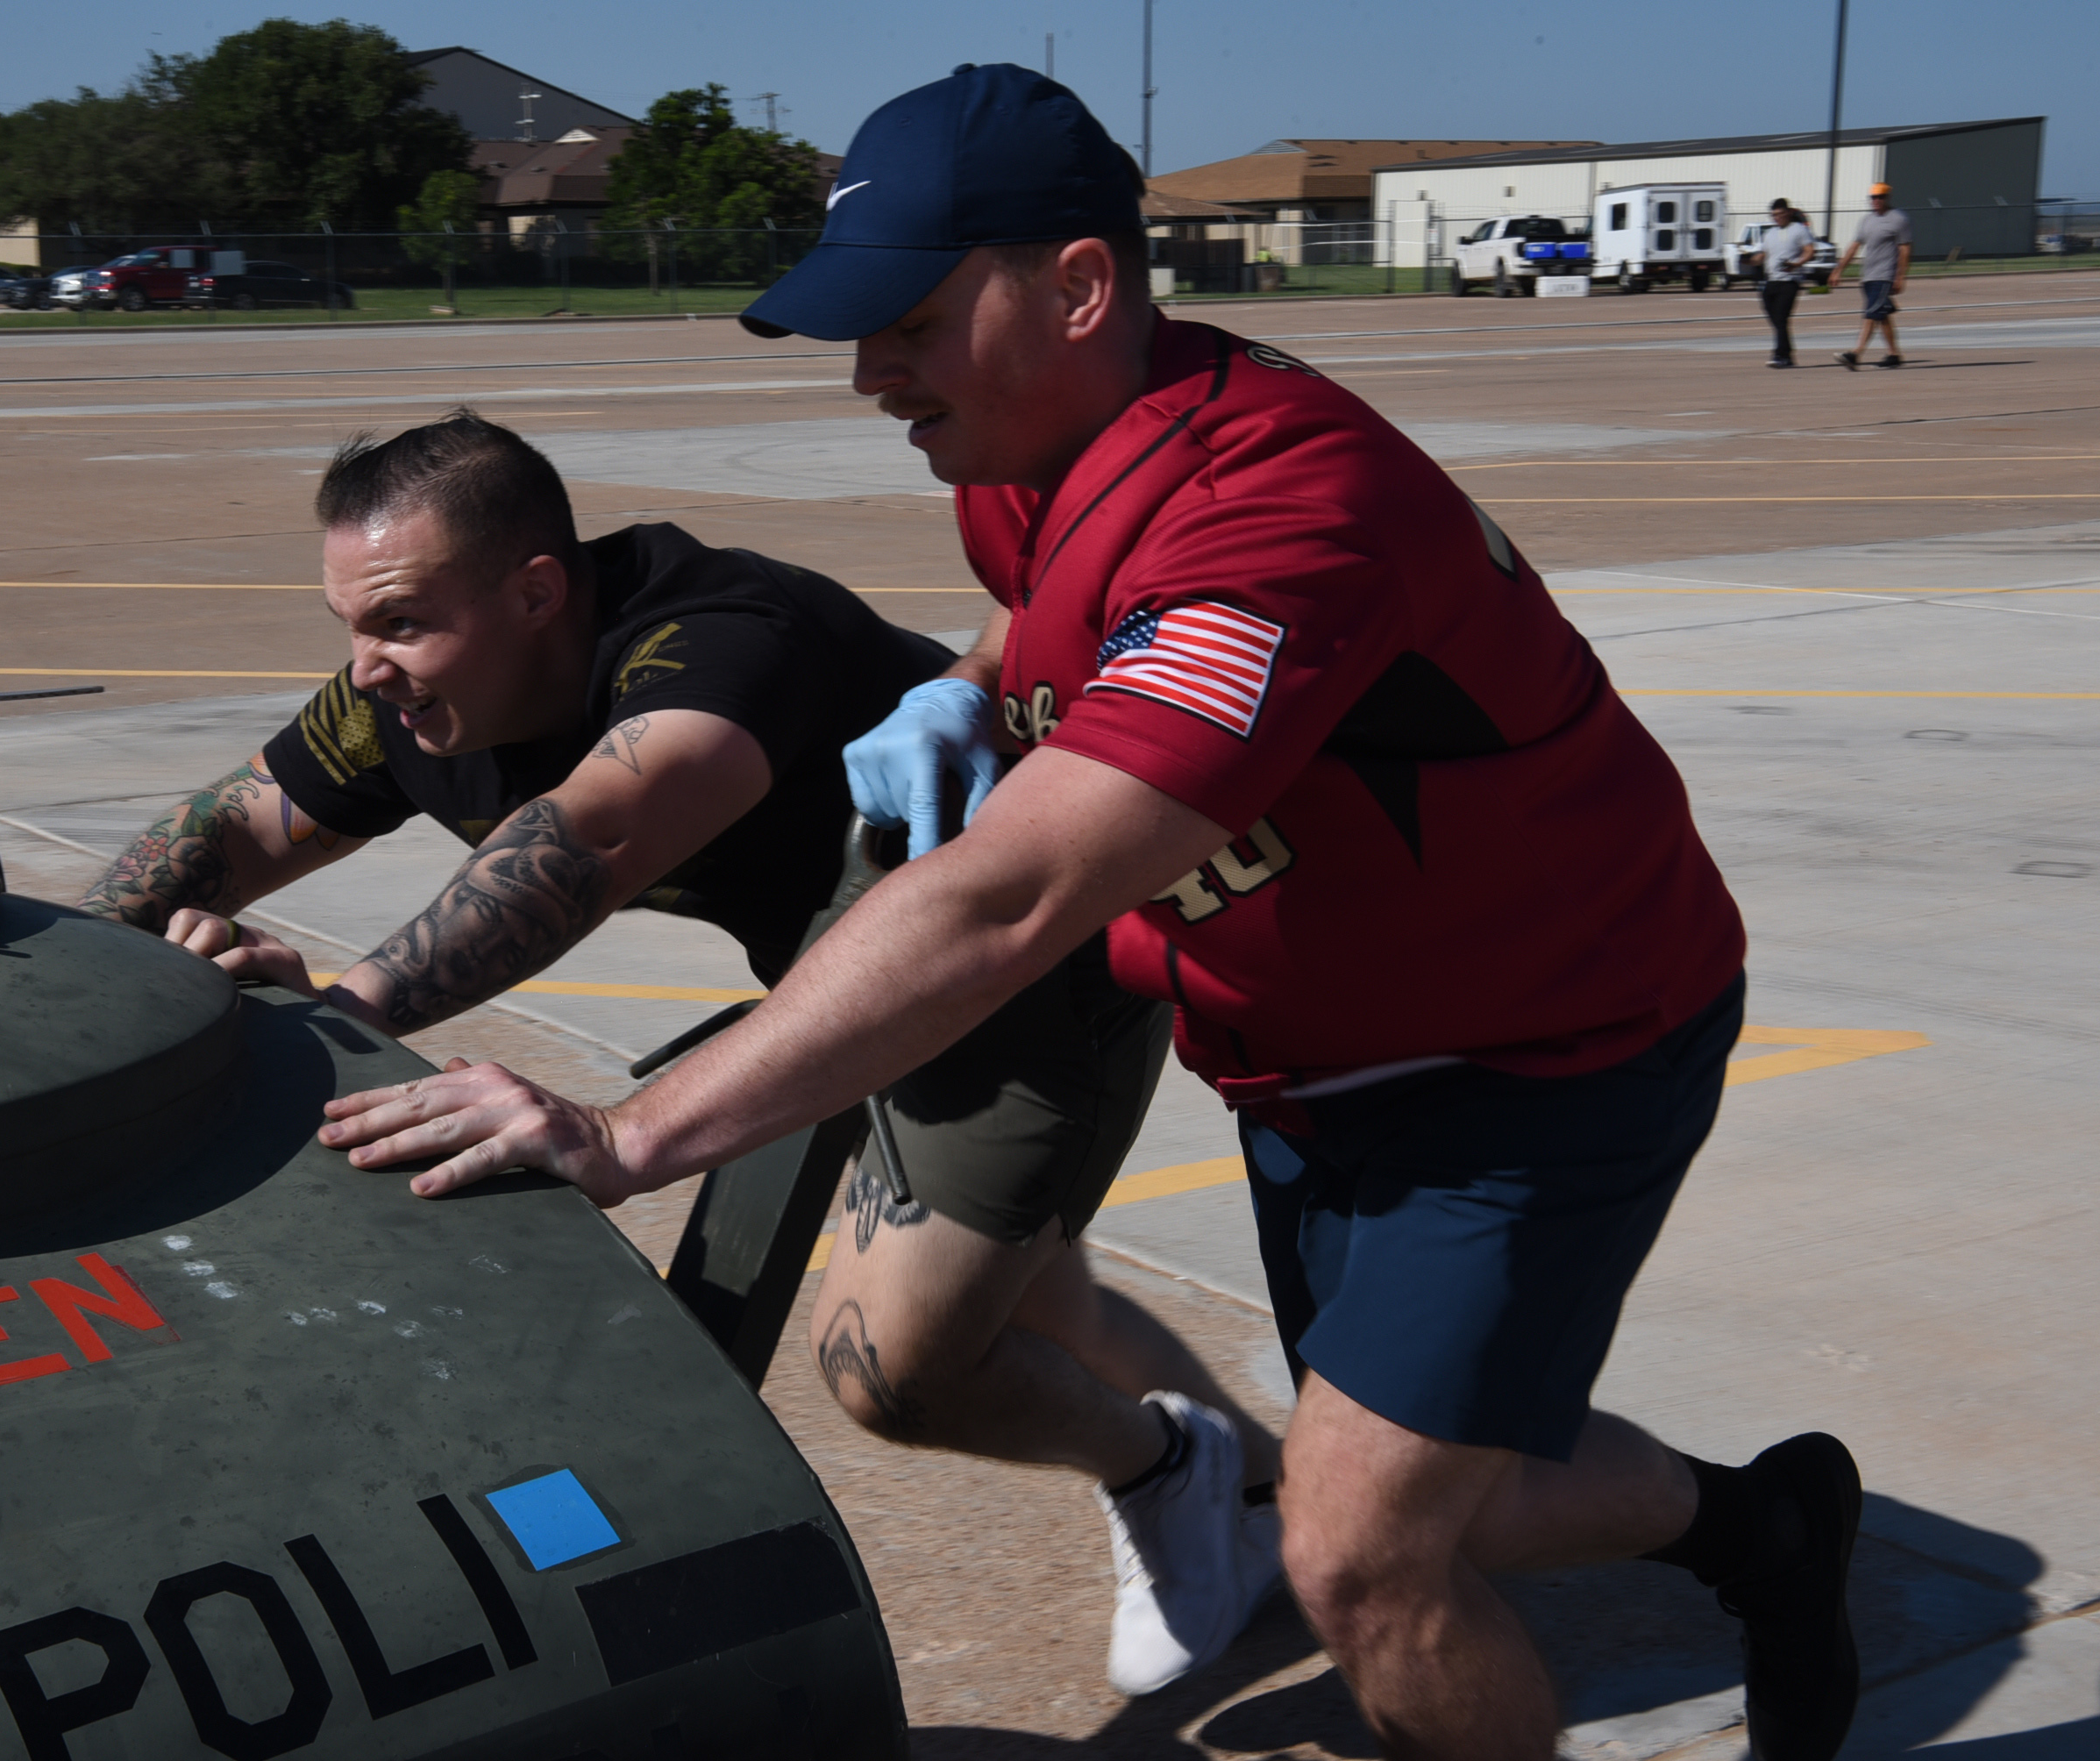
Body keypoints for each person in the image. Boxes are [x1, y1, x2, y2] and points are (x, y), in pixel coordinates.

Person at [320, 66, 1865, 1761]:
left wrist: (626, 1135)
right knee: (1459, 1493)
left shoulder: (1278, 512)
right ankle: (1765, 1531)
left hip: (1535, 1051)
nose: (867, 375)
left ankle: (1725, 1546)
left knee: (1356, 1550)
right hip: (1307, 1057)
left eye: (907, 318)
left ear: (1073, 286)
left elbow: (1010, 895)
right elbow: (1051, 612)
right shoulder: (1027, 455)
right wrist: (976, 688)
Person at [76, 409, 1286, 1695]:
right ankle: (1264, 1484)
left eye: (399, 623)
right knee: (1039, 1293)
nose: (368, 667)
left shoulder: (714, 643)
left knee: (901, 1370)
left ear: (537, 591)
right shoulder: (416, 695)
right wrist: (67, 967)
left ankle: (1171, 1468)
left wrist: (331, 1020)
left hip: (1009, 977)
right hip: (849, 974)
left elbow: (589, 841)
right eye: (352, 630)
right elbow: (228, 832)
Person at [1835, 183, 1912, 368]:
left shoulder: (1898, 219)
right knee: (1881, 315)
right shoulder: (1866, 220)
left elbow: (1905, 250)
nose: (1876, 201)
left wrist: (1900, 277)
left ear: (1887, 198)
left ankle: (1856, 354)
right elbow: (1854, 246)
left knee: (1871, 314)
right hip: (1868, 276)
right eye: (1873, 197)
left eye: (1880, 197)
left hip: (1884, 275)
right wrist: (1838, 269)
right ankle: (1894, 354)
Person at [1751, 199, 1818, 367]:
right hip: (1771, 281)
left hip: (1789, 281)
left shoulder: (1799, 230)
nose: (1777, 218)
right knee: (1777, 319)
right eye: (1774, 215)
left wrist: (1796, 265)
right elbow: (1762, 255)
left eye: (1780, 214)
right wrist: (1751, 260)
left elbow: (1810, 251)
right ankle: (1787, 353)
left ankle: (1781, 355)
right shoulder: (1769, 233)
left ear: (1788, 212)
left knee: (1781, 317)